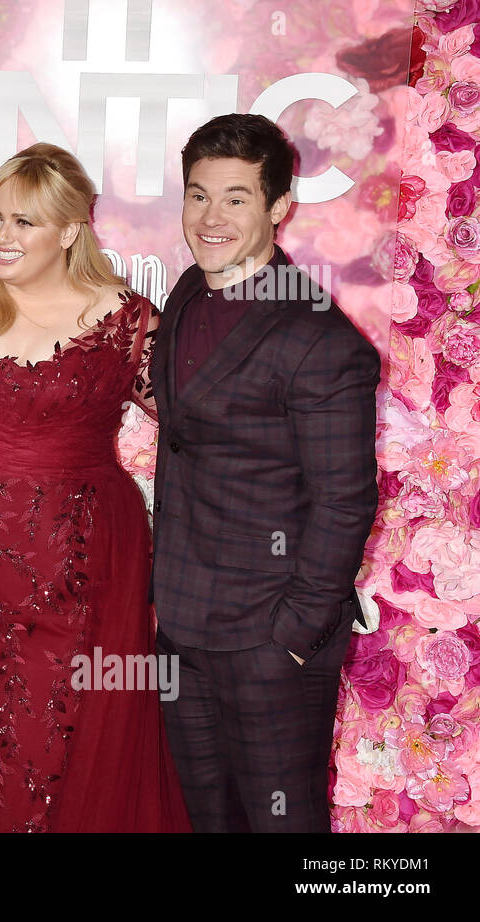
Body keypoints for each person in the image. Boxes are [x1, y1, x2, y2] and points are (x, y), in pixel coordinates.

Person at [0, 143, 191, 832]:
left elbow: (195, 424)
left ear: (72, 227)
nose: (3, 236)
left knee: (52, 735)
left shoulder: (127, 319)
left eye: (26, 221)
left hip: (77, 561)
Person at [150, 113, 379, 832]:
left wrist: (294, 633)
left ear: (280, 208)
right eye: (198, 195)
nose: (210, 218)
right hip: (183, 627)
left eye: (236, 198)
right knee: (207, 819)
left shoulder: (319, 340)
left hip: (269, 641)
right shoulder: (187, 290)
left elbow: (345, 502)